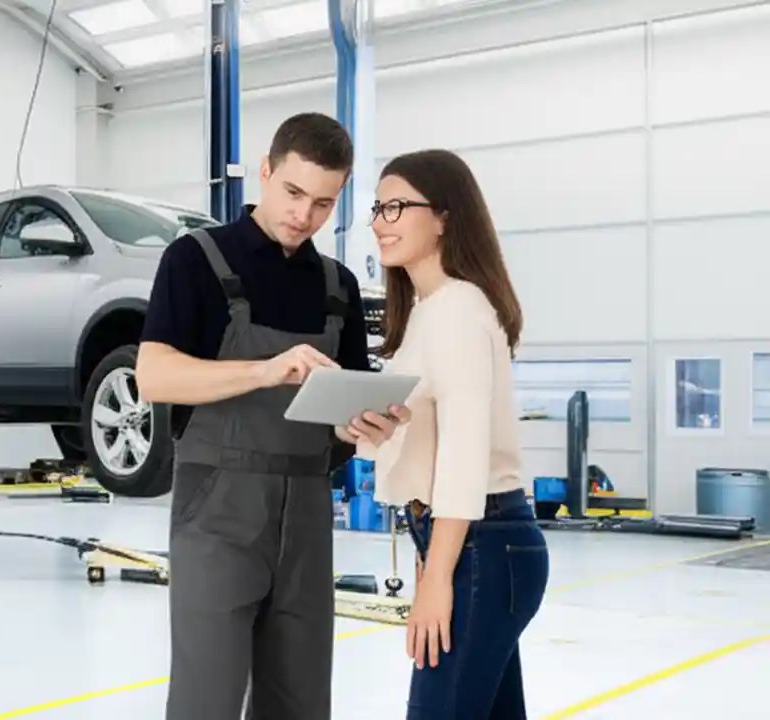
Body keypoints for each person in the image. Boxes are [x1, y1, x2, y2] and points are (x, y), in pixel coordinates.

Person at [136, 111, 408, 720]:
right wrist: (264, 370)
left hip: (309, 511)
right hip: (218, 508)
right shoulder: (195, 261)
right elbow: (153, 375)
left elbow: (341, 427)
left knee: (302, 699)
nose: (303, 215)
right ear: (265, 171)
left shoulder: (337, 286)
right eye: (292, 192)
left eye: (322, 203)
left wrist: (360, 428)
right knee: (207, 698)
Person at [339, 148, 550, 719]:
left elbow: (463, 454)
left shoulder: (457, 308)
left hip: (481, 544)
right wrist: (368, 427)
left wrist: (437, 576)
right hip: (476, 545)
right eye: (377, 209)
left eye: (397, 206)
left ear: (446, 216)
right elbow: (425, 436)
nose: (381, 223)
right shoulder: (429, 311)